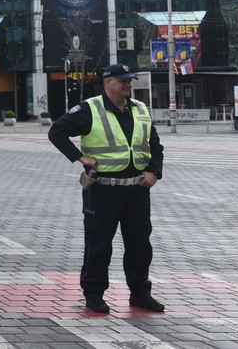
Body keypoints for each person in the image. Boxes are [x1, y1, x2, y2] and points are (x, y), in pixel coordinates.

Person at [48, 63, 165, 314]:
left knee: (140, 245)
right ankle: (94, 295)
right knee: (99, 245)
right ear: (107, 82)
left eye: (129, 79)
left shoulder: (140, 108)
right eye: (122, 80)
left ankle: (140, 293)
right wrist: (79, 157)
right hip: (103, 190)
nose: (128, 84)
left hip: (137, 190)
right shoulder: (90, 109)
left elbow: (155, 145)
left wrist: (155, 171)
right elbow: (57, 132)